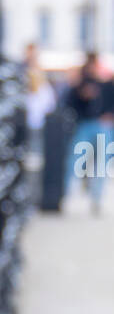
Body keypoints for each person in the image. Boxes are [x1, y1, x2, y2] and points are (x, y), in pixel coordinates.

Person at [62, 51, 113, 213]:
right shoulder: (79, 85)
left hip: (101, 125)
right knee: (75, 160)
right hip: (84, 124)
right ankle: (68, 195)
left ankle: (96, 198)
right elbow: (69, 104)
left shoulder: (105, 85)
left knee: (101, 165)